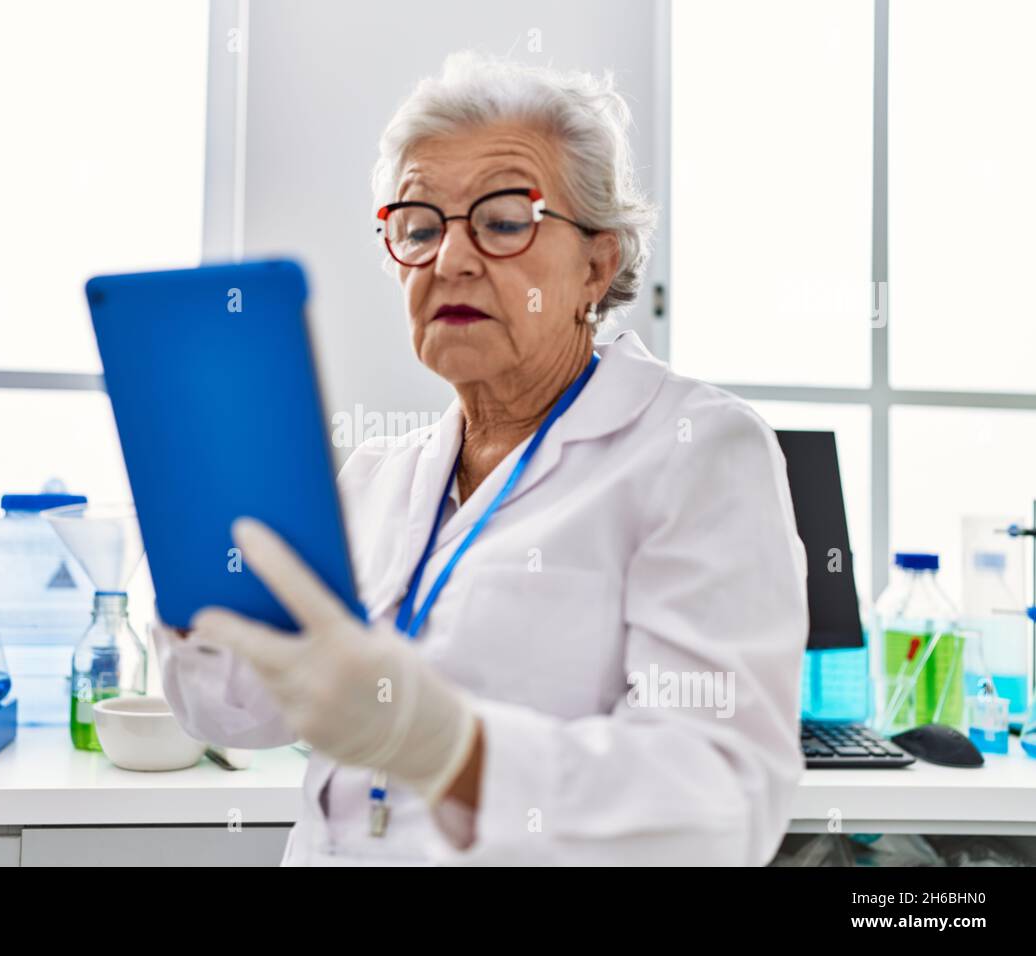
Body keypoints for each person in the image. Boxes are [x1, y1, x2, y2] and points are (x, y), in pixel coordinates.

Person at [153, 51, 808, 866]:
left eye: (504, 221)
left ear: (597, 268)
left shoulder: (698, 453)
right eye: (419, 227)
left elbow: (720, 807)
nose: (450, 260)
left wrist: (449, 748)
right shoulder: (373, 477)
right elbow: (240, 715)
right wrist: (192, 566)